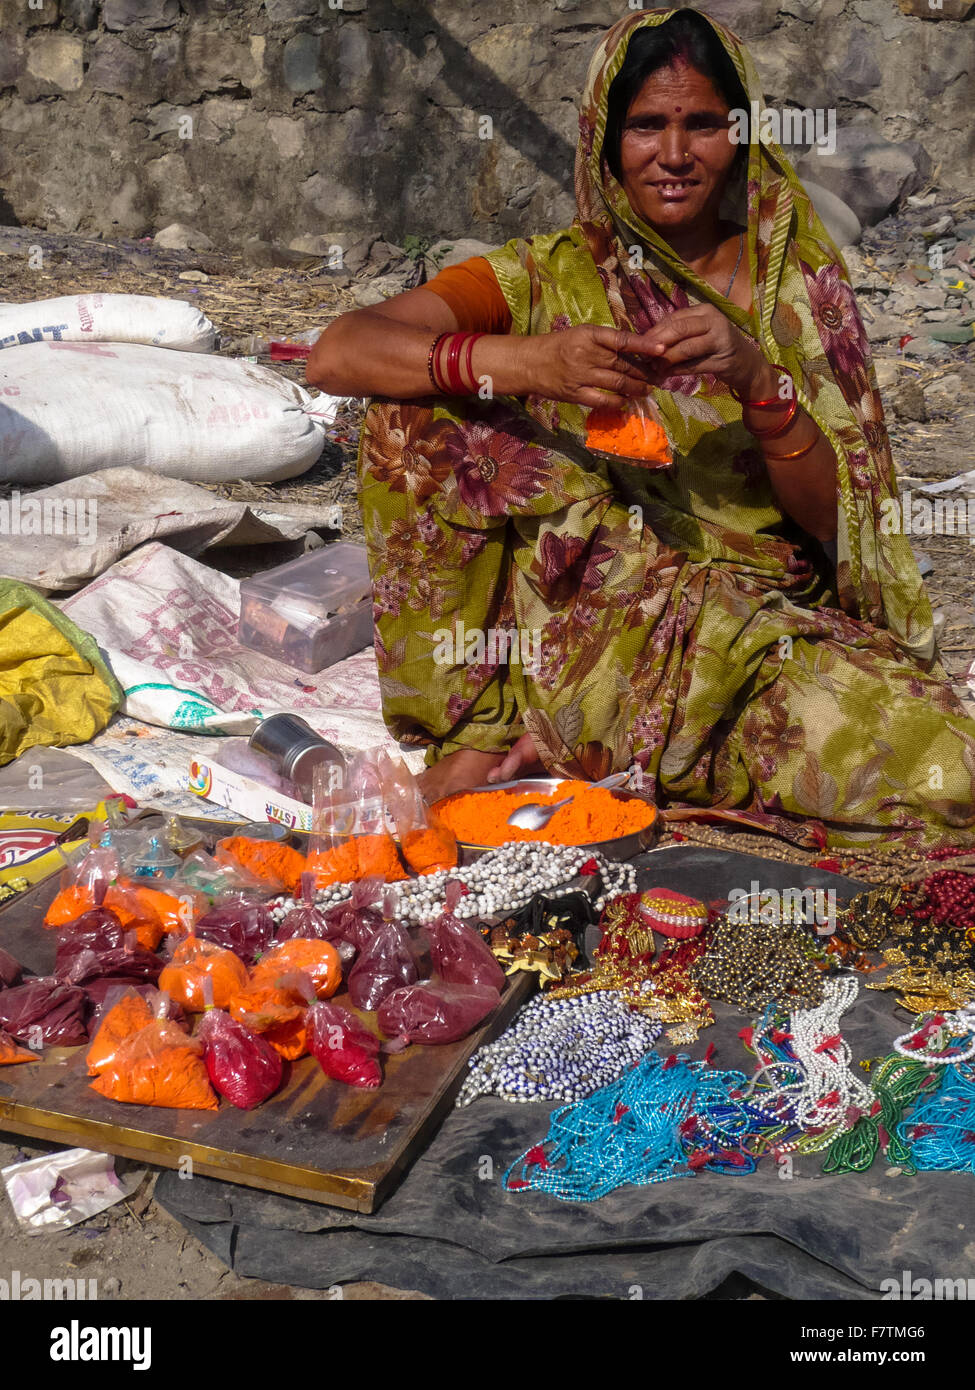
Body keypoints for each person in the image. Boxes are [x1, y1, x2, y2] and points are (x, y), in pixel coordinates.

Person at [307, 7, 975, 850]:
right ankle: (469, 737)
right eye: (646, 126)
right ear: (601, 139)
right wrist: (528, 363)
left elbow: (841, 525)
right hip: (578, 634)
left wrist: (757, 380)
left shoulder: (792, 284)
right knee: (414, 405)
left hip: (744, 635)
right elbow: (340, 352)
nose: (672, 155)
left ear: (740, 137)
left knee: (949, 774)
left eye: (701, 126)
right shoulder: (546, 276)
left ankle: (634, 754)